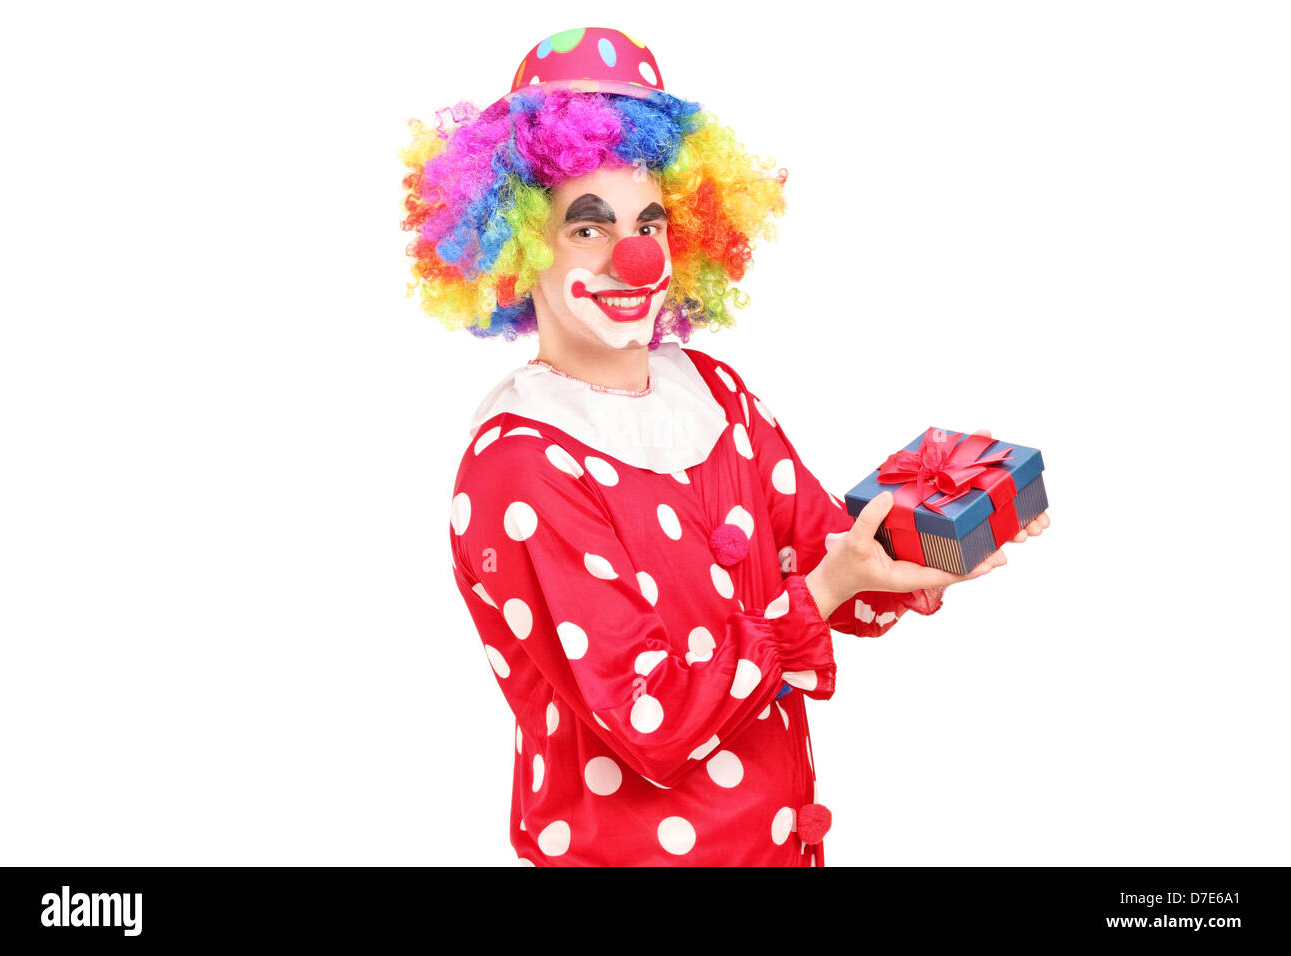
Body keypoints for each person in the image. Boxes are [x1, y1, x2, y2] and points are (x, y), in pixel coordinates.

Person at [402, 27, 1049, 866]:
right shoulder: (518, 467)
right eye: (589, 229)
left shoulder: (713, 394)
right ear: (519, 249)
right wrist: (827, 587)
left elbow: (828, 557)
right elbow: (652, 719)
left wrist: (945, 530)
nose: (635, 255)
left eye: (651, 221)